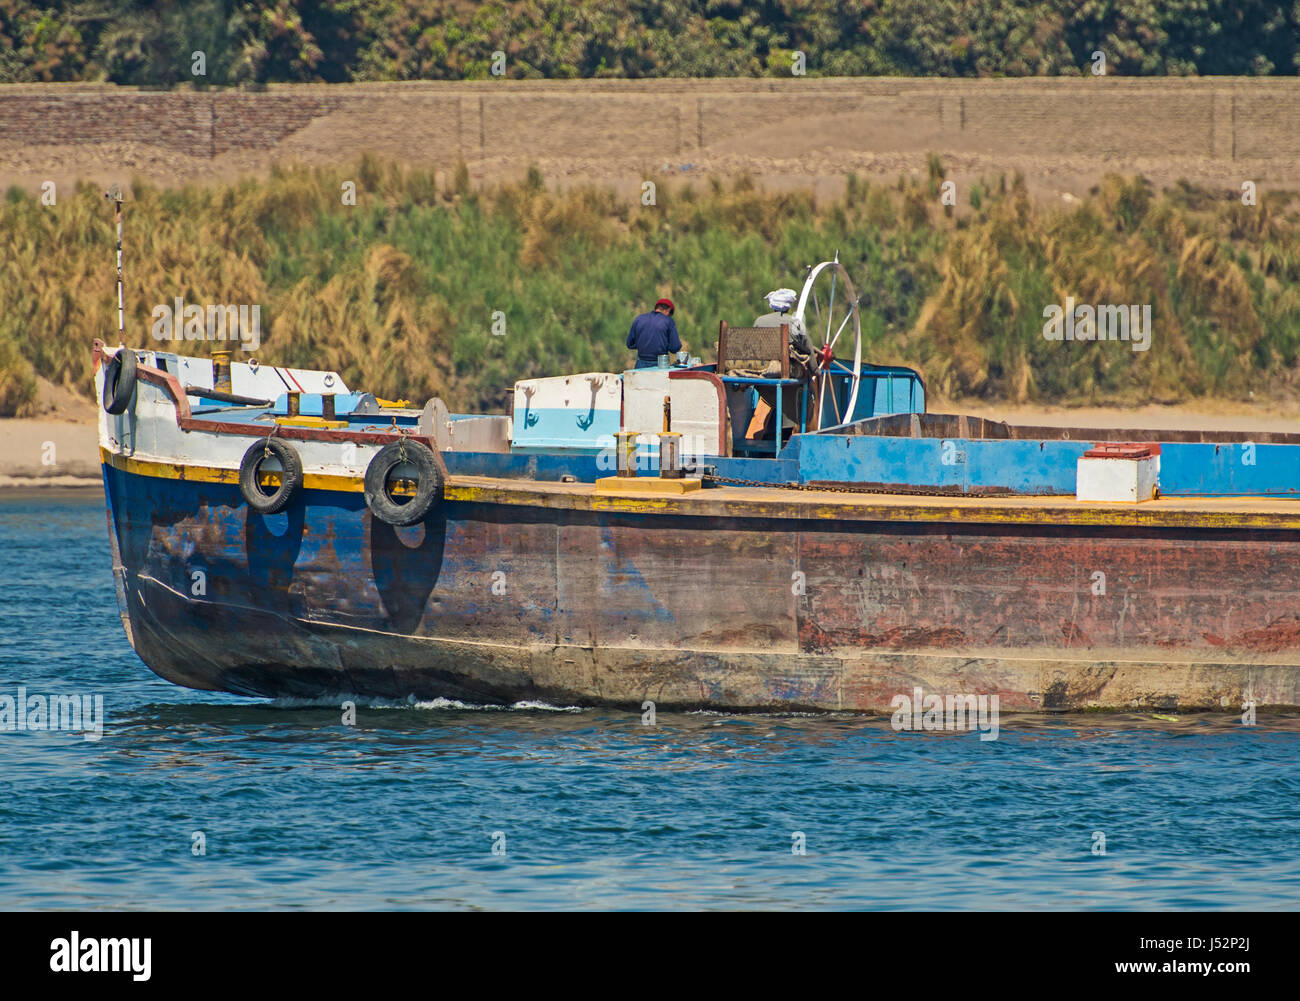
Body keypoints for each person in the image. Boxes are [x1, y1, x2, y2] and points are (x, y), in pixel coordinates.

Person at [626, 298, 682, 369]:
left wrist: (644, 344)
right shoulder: (668, 321)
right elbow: (675, 347)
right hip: (660, 365)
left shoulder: (639, 319)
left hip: (640, 365)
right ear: (668, 310)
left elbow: (629, 344)